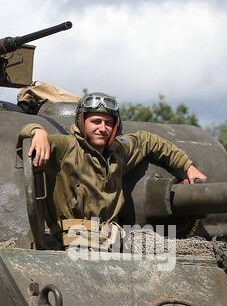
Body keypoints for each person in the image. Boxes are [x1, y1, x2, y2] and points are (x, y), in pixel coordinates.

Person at [22, 91, 207, 248]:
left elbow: (148, 141)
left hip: (110, 237)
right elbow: (25, 136)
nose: (102, 128)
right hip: (72, 238)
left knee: (161, 249)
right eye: (95, 121)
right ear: (82, 121)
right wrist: (37, 131)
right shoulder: (67, 146)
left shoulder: (118, 151)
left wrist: (187, 166)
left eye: (108, 123)